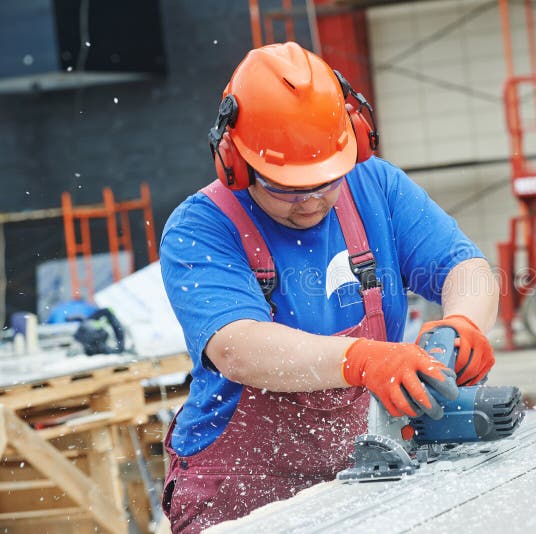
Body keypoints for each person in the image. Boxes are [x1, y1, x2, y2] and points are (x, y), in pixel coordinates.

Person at [159, 41, 498, 533]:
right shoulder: (200, 229)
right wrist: (362, 360)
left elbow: (462, 266)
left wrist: (466, 322)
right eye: (286, 187)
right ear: (234, 161)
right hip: (240, 490)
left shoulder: (373, 186)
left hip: (363, 470)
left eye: (326, 181)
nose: (311, 202)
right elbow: (237, 347)